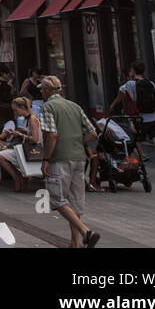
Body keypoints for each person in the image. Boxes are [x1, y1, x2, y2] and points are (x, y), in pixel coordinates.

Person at [39, 75, 100, 248]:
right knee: (74, 202)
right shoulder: (74, 106)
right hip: (79, 158)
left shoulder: (48, 107)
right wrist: (77, 142)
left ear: (47, 90)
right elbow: (93, 133)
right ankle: (74, 243)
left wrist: (46, 159)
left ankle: (85, 232)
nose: (41, 92)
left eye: (42, 90)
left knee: (57, 199)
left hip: (59, 158)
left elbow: (52, 134)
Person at [106, 60, 155, 182]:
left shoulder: (130, 84)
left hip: (139, 119)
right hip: (153, 118)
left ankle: (141, 168)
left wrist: (131, 120)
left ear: (133, 71)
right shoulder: (151, 83)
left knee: (136, 144)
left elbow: (132, 103)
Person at [0, 97, 41, 193]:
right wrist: (19, 132)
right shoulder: (26, 119)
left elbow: (35, 139)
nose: (15, 113)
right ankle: (18, 176)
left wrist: (19, 134)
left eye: (16, 110)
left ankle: (17, 177)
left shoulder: (31, 119)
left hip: (31, 149)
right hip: (27, 148)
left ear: (22, 107)